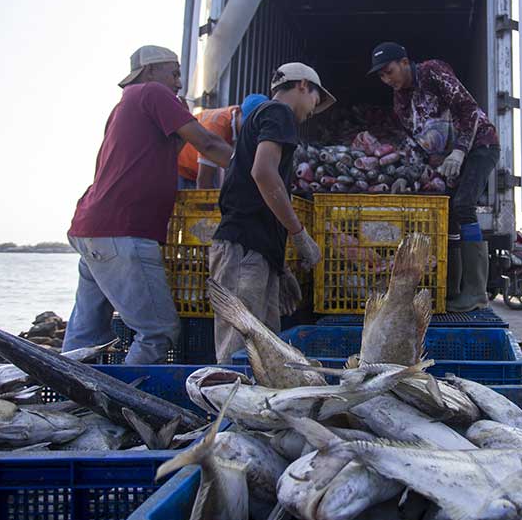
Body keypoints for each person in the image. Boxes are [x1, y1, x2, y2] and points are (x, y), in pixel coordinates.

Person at [63, 45, 234, 364]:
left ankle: (68, 393)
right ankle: (125, 402)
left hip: (92, 229)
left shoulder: (124, 106)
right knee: (157, 332)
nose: (179, 82)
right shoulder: (152, 92)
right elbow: (207, 143)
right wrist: (251, 169)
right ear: (151, 71)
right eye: (175, 72)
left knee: (86, 335)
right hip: (122, 232)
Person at [210, 63, 334, 362]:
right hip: (243, 248)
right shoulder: (279, 112)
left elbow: (258, 198)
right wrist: (299, 234)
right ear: (303, 85)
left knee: (263, 354)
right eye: (317, 99)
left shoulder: (262, 117)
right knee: (238, 352)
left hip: (254, 250)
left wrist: (280, 266)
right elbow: (263, 173)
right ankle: (227, 407)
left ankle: (250, 408)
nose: (314, 111)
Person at [367, 42, 500, 312]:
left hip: (479, 145)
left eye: (389, 71)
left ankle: (476, 292)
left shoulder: (432, 72)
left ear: (404, 62)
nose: (386, 79)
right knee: (447, 214)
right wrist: (406, 174)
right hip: (447, 157)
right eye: (381, 75)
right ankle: (451, 289)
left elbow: (468, 110)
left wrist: (460, 152)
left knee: (464, 206)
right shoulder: (400, 102)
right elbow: (416, 143)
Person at [176, 93, 269, 189]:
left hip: (194, 171)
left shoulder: (236, 118)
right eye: (247, 125)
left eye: (254, 129)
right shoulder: (217, 125)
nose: (249, 132)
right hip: (181, 170)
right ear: (237, 111)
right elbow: (204, 180)